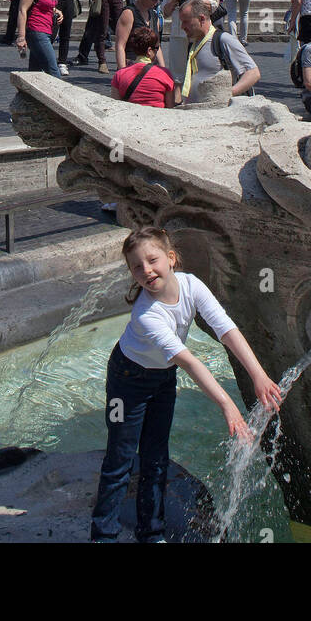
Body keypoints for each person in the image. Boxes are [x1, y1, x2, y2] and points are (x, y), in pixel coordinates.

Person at [89, 225, 281, 543]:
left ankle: (151, 532)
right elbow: (189, 361)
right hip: (126, 382)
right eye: (136, 266)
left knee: (156, 456)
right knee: (120, 457)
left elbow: (226, 328)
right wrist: (227, 404)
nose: (146, 270)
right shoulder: (146, 315)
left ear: (172, 258)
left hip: (162, 378)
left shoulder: (191, 285)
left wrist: (258, 374)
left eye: (152, 260)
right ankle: (103, 534)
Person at [178, 0, 260, 101]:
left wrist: (227, 94)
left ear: (201, 19)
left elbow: (253, 73)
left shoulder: (223, 40)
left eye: (186, 22)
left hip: (219, 111)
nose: (182, 27)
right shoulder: (193, 44)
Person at [161, 0, 219, 85]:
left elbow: (214, 4)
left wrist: (193, 2)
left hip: (199, 34)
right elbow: (165, 12)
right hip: (178, 33)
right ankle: (178, 100)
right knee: (177, 73)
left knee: (199, 69)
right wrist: (172, 3)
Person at [110, 28, 176, 107]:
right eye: (156, 48)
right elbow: (170, 107)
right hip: (157, 117)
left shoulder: (119, 75)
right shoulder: (165, 75)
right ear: (149, 51)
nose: (157, 51)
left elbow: (115, 107)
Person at [115, 0, 166, 71]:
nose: (156, 1)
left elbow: (157, 46)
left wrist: (163, 70)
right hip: (132, 65)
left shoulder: (154, 15)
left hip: (150, 68)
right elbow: (120, 45)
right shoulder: (129, 13)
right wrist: (122, 72)